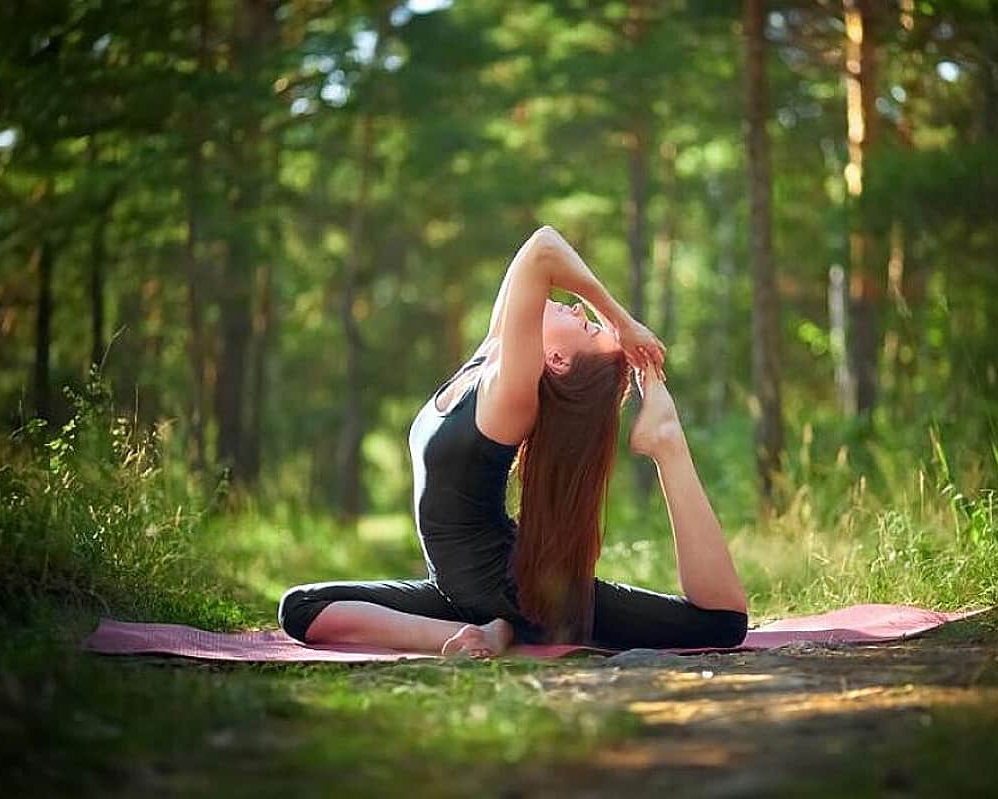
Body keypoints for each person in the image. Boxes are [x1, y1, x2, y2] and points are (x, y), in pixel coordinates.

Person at [278, 225, 748, 657]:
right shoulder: (492, 354)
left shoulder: (511, 395)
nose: (579, 308)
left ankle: (668, 443)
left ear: (558, 361)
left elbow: (543, 251)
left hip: (512, 591)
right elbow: (537, 250)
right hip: (462, 590)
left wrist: (621, 323)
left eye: (584, 327)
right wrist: (618, 326)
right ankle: (478, 634)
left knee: (720, 625)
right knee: (300, 607)